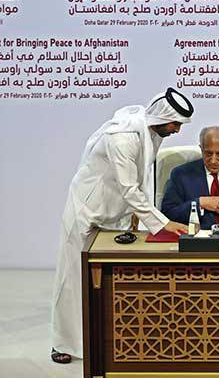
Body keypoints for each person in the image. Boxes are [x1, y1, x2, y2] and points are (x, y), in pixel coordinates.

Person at [50, 88, 194, 364]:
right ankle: (63, 343)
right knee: (74, 278)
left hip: (117, 210)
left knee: (112, 279)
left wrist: (136, 218)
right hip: (88, 210)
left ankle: (108, 340)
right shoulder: (122, 137)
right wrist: (163, 223)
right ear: (162, 117)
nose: (177, 130)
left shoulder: (152, 133)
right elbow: (129, 188)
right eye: (175, 124)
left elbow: (141, 178)